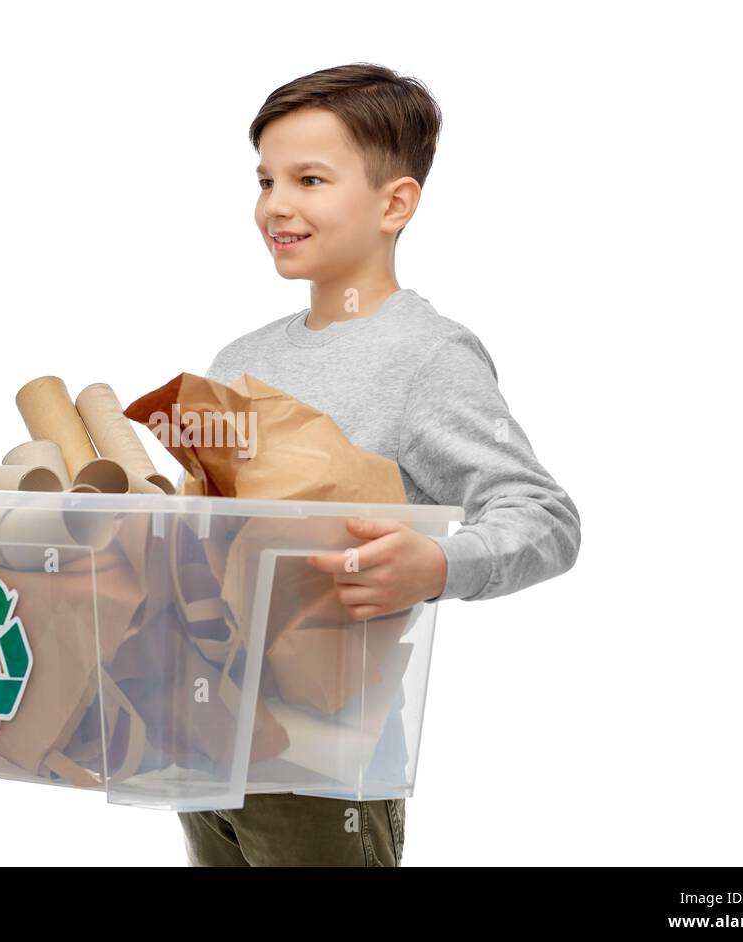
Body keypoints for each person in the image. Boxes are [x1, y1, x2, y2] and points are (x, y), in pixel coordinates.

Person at [176, 62, 582, 866]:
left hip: (326, 759)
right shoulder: (238, 358)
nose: (275, 205)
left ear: (394, 203)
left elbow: (544, 517)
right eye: (264, 179)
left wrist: (436, 563)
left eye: (310, 179)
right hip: (203, 734)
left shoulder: (427, 358)